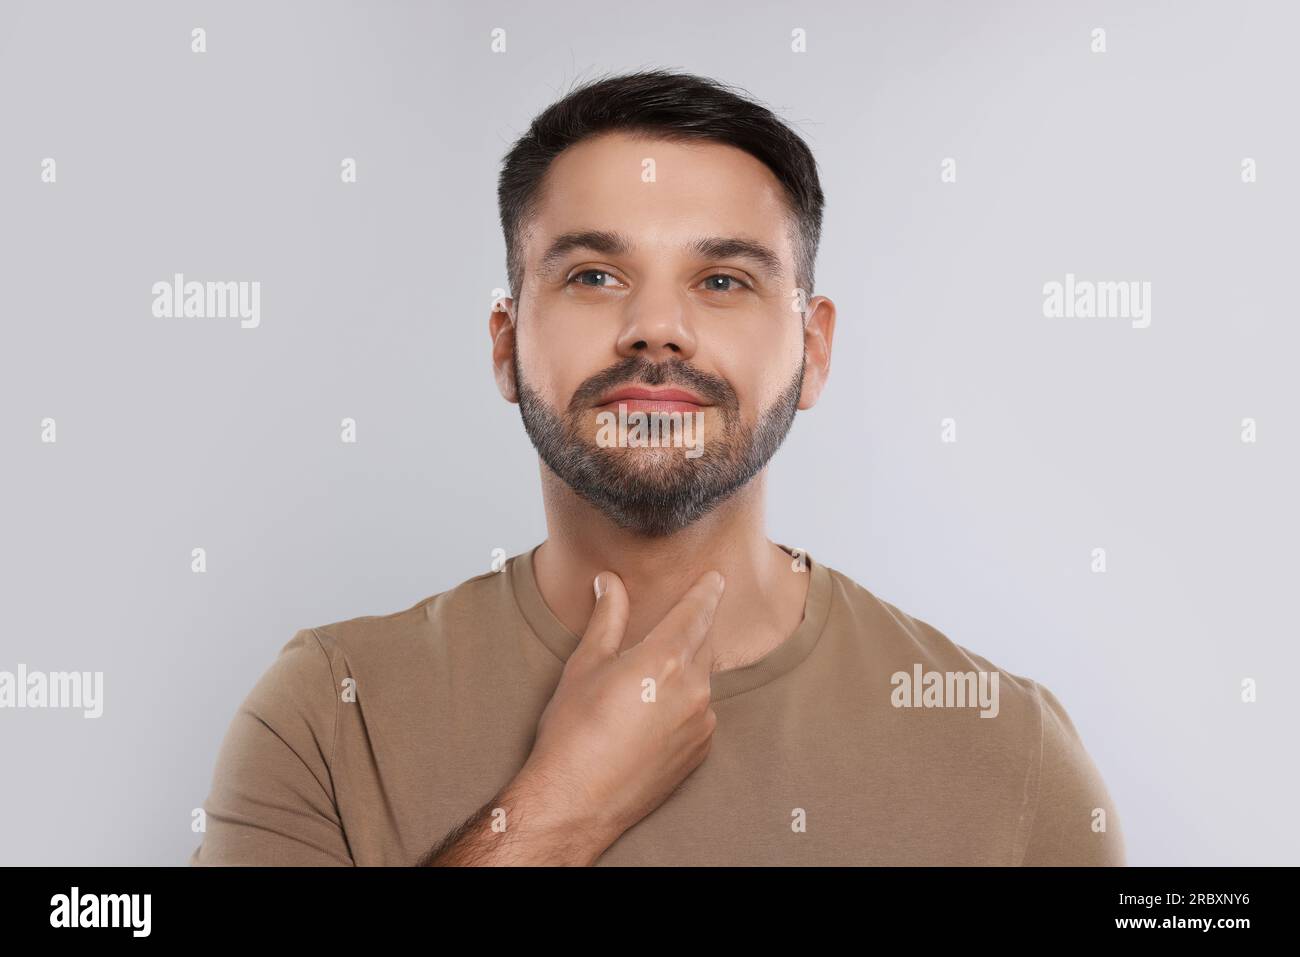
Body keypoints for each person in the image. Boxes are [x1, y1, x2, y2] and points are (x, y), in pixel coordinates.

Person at [190, 69, 1124, 866]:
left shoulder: (1010, 753)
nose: (657, 326)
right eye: (594, 274)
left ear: (815, 349)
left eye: (722, 281)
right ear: (506, 344)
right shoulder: (326, 713)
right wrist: (557, 810)